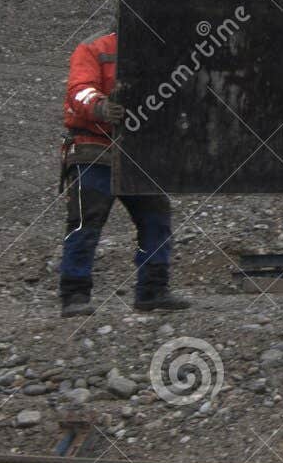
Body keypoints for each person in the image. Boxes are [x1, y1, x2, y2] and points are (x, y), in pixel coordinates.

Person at [57, 30, 188, 316]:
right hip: (94, 146)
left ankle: (152, 291)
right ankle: (75, 294)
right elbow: (79, 88)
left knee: (155, 216)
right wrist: (101, 107)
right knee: (86, 220)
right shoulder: (95, 48)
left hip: (137, 150)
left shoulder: (157, 49)